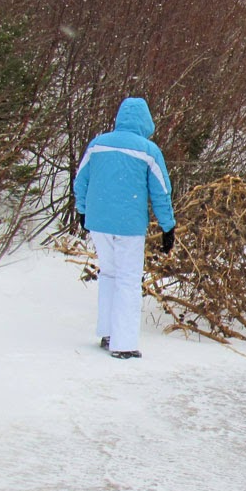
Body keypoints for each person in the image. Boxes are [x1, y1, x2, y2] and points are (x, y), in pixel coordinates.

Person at [73, 97, 176, 360]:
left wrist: (83, 210)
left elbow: (80, 180)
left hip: (98, 221)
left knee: (109, 274)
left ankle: (108, 333)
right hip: (128, 224)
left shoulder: (97, 144)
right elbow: (161, 192)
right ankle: (124, 343)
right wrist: (168, 227)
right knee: (128, 280)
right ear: (146, 121)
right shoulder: (148, 151)